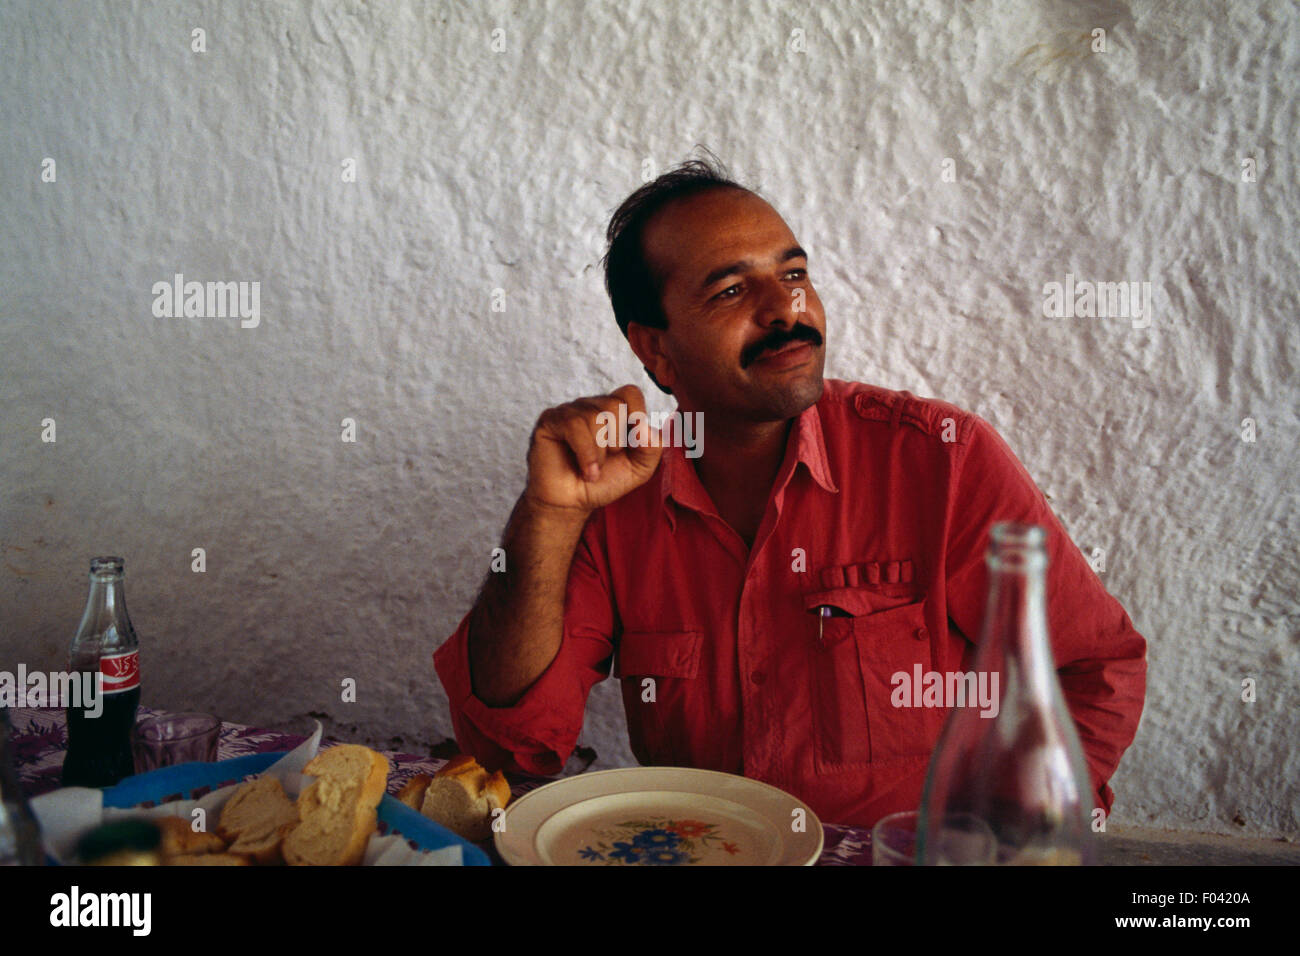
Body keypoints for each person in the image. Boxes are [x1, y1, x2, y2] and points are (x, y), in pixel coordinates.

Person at [433, 154, 1146, 828]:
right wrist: (549, 513)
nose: (787, 309)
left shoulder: (939, 461)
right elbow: (512, 745)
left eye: (795, 272)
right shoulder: (614, 492)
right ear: (655, 349)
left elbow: (1092, 669)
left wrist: (996, 843)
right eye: (733, 290)